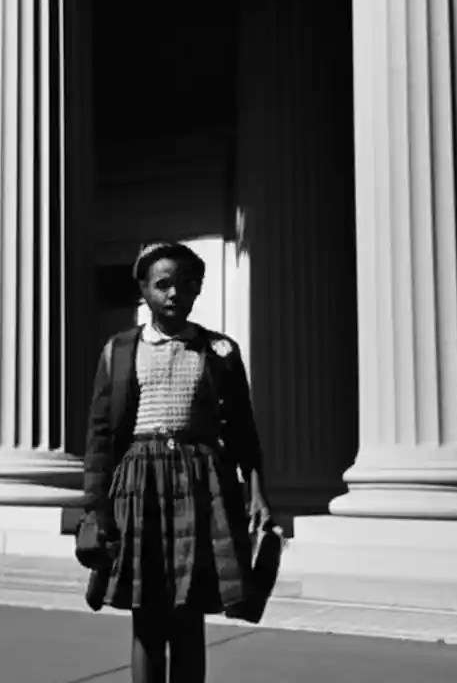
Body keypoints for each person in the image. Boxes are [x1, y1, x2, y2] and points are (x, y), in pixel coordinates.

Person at [80, 242, 272, 683]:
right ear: (143, 291)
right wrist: (97, 508)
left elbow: (243, 430)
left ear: (197, 290)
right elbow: (101, 436)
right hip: (138, 484)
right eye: (162, 284)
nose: (173, 293)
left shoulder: (221, 351)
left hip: (201, 484)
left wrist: (258, 492)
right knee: (146, 615)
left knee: (189, 613)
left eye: (184, 284)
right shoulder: (118, 350)